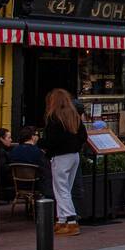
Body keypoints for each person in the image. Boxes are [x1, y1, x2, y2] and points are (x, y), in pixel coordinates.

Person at [39, 88, 88, 236]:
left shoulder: (54, 117)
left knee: (61, 189)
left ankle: (71, 221)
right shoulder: (74, 116)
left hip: (60, 156)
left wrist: (41, 144)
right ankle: (61, 220)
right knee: (66, 187)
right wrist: (76, 146)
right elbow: (83, 136)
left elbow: (52, 140)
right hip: (74, 155)